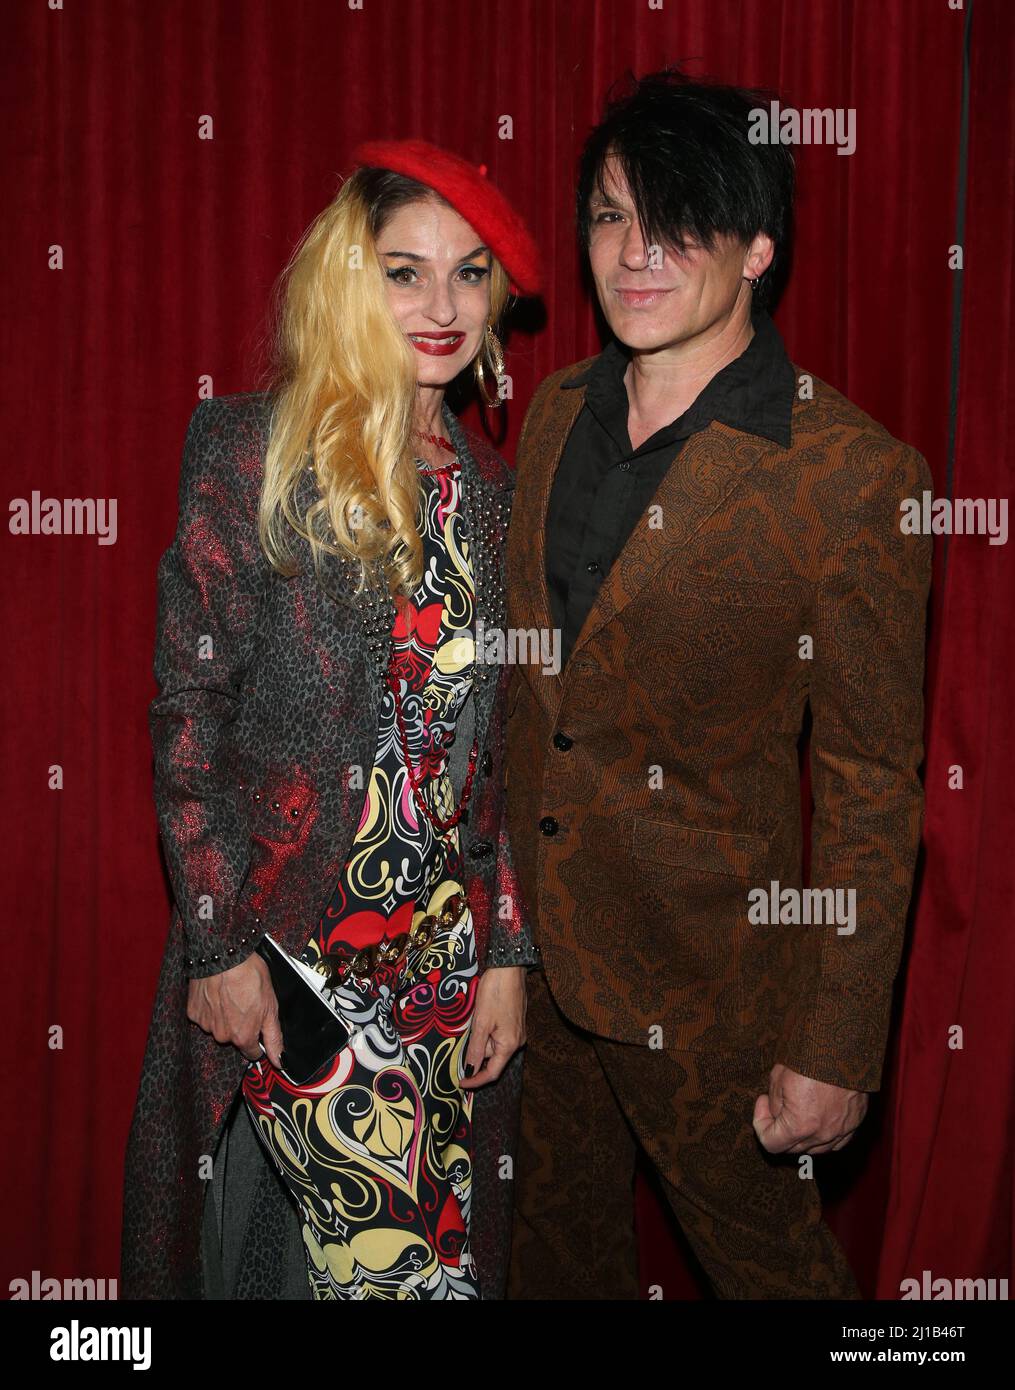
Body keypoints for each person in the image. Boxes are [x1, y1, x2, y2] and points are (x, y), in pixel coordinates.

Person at [502, 66, 933, 1299]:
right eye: (609, 215)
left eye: (677, 219)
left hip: (716, 996)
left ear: (756, 247)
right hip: (536, 976)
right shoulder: (550, 414)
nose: (634, 254)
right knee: (551, 1270)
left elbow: (868, 787)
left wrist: (835, 1044)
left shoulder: (850, 477)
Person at [121, 138, 542, 1300]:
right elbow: (187, 710)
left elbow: (498, 755)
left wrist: (508, 949)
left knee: (413, 1271)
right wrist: (215, 943)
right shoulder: (256, 449)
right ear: (348, 280)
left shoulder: (497, 494)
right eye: (404, 271)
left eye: (468, 274)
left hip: (442, 967)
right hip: (295, 956)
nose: (443, 305)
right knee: (377, 1264)